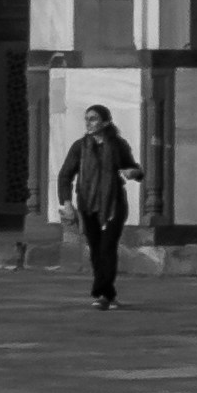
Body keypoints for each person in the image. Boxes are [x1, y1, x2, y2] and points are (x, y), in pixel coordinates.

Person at [53, 106, 141, 309]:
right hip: (88, 204)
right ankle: (108, 294)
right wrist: (67, 203)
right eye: (87, 119)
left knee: (107, 247)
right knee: (95, 249)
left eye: (93, 119)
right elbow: (65, 175)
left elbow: (135, 169)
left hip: (113, 204)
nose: (89, 123)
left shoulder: (118, 145)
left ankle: (101, 294)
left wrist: (132, 172)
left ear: (106, 122)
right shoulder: (80, 147)